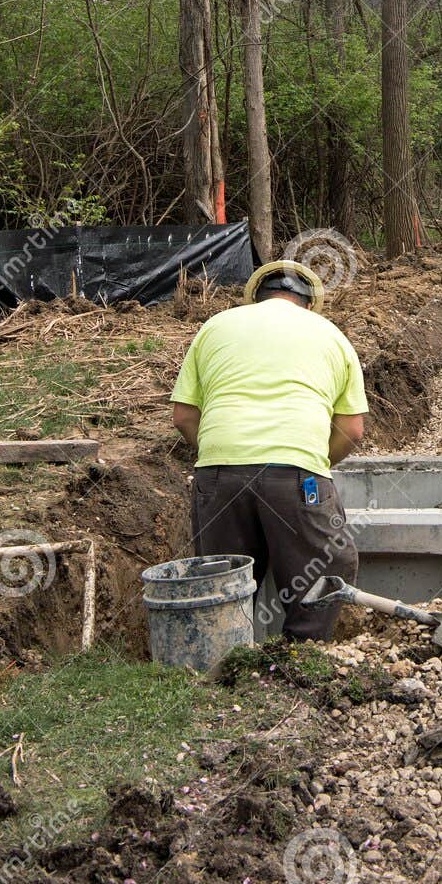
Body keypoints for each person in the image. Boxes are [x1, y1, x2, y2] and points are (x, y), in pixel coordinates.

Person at [170, 259, 366, 641]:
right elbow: (352, 429)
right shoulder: (330, 334)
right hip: (295, 473)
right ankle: (300, 657)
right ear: (308, 303)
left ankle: (222, 666)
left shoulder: (214, 328)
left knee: (222, 585)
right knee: (327, 568)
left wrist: (218, 457)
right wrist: (315, 463)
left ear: (255, 299)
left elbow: (182, 416)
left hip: (218, 474)